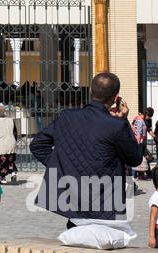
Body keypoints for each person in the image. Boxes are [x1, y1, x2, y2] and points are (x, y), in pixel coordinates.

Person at [29, 71, 141, 224]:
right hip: (105, 204)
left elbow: (37, 144)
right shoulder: (116, 125)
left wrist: (63, 166)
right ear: (116, 98)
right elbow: (135, 158)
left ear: (90, 90)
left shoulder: (67, 117)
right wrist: (125, 120)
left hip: (72, 201)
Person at [0, 104, 18, 183]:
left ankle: (3, 178)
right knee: (10, 160)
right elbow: (15, 132)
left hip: (1, 145)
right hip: (11, 143)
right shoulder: (11, 120)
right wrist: (14, 141)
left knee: (0, 162)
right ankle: (13, 173)